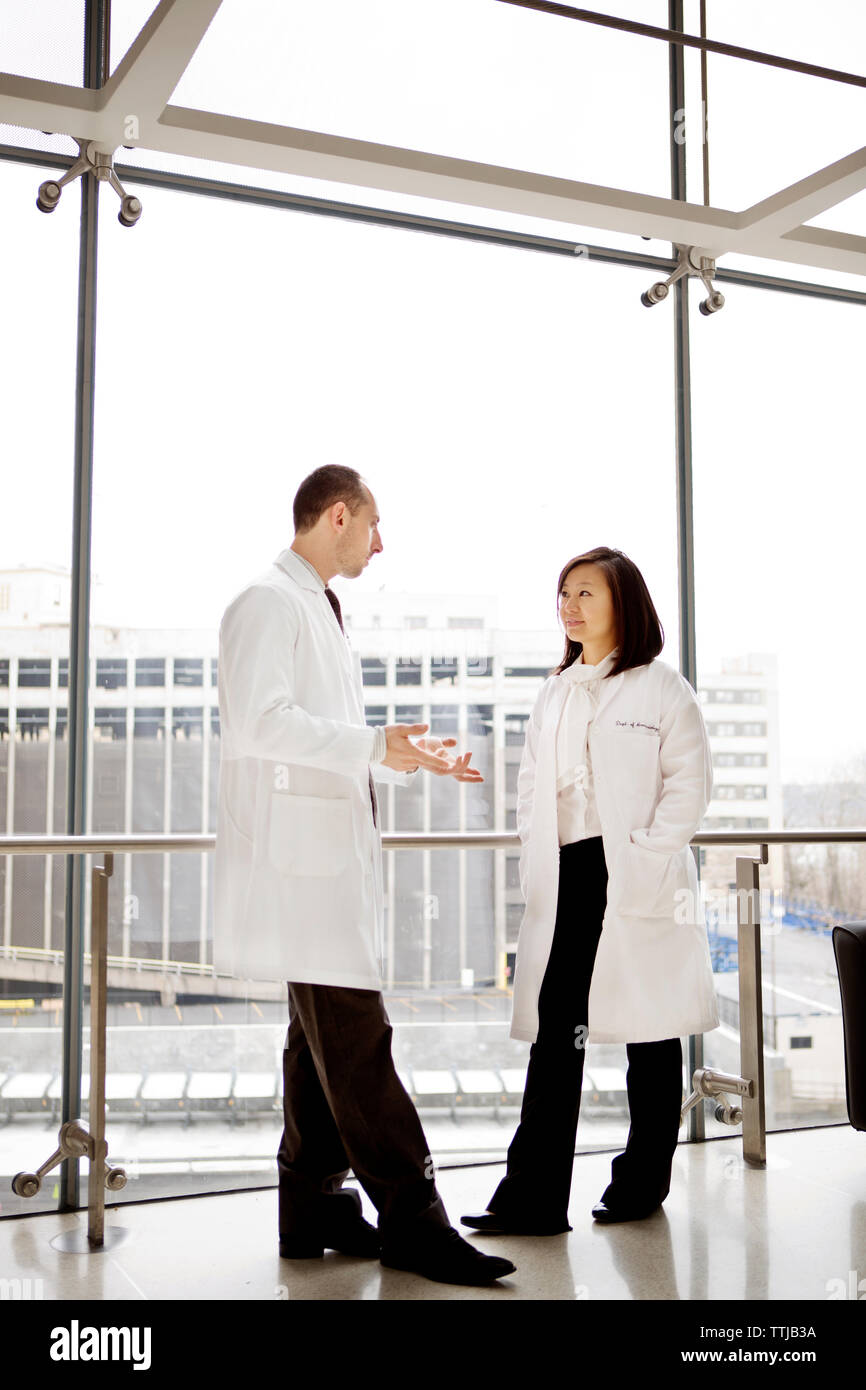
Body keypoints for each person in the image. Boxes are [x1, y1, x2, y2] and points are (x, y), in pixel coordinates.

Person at [213, 464, 515, 1288]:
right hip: (301, 872)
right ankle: (415, 1224)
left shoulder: (313, 607)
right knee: (356, 1043)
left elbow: (330, 734)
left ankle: (309, 1208)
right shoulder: (267, 603)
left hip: (321, 866)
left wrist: (393, 751)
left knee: (317, 1048)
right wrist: (373, 742)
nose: (381, 543)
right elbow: (258, 723)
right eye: (374, 525)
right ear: (337, 515)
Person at [462, 546, 720, 1235]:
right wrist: (534, 855)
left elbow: (689, 786)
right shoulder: (554, 691)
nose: (570, 607)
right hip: (569, 871)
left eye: (586, 595)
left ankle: (641, 1184)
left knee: (651, 1029)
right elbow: (527, 790)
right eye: (565, 595)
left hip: (636, 871)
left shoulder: (663, 688)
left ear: (622, 604)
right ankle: (532, 1197)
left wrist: (645, 853)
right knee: (557, 1030)